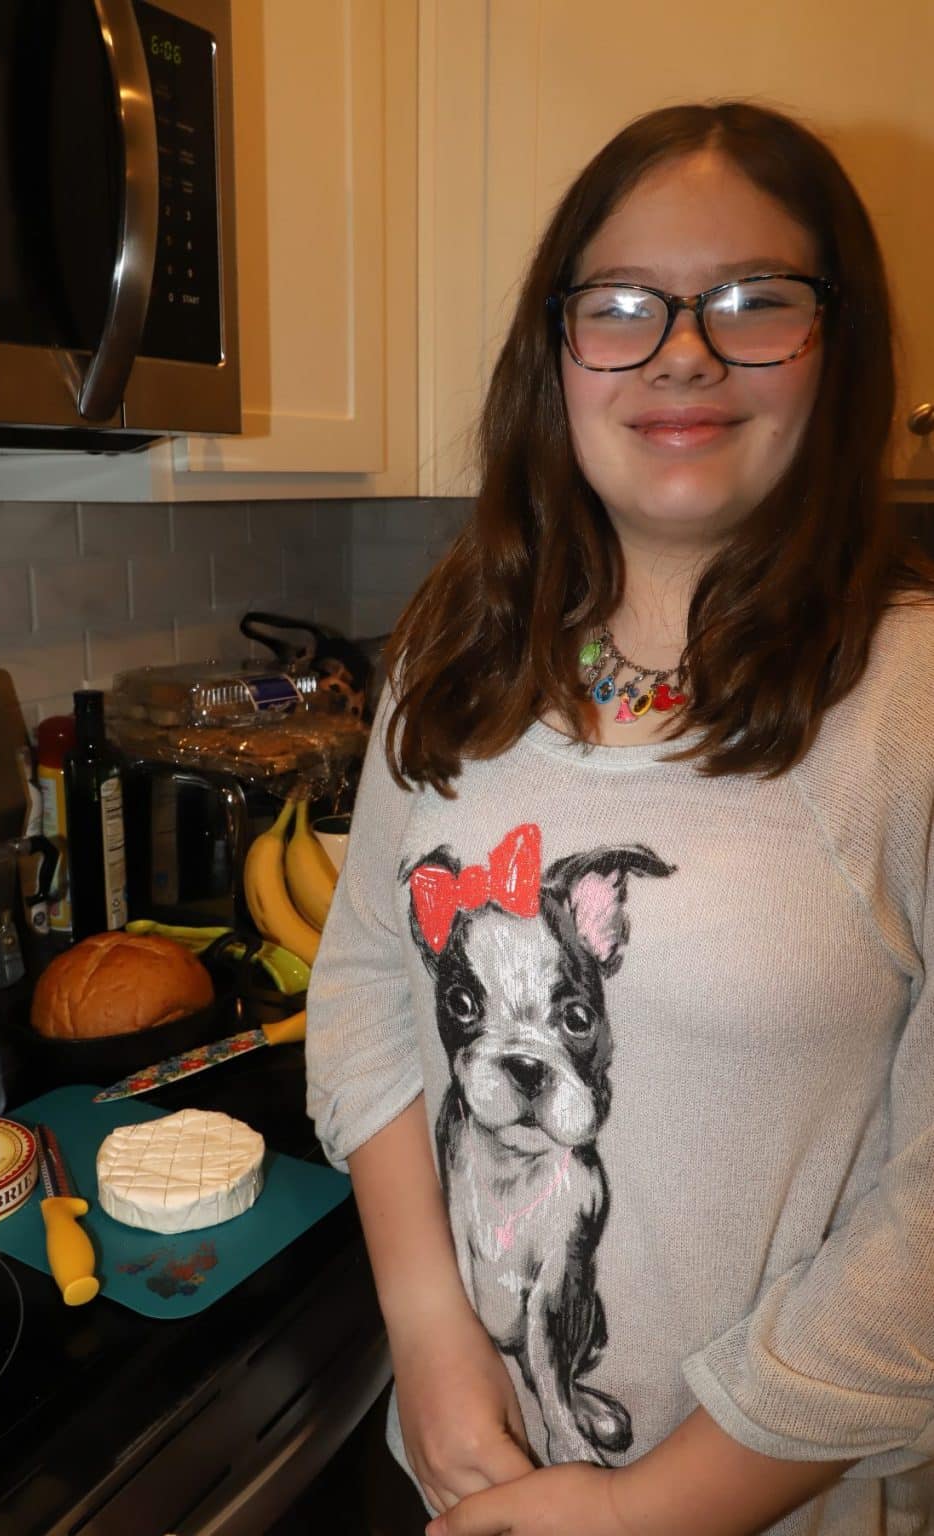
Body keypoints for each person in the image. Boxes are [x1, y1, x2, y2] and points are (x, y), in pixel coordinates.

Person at [305, 99, 934, 1536]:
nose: (683, 353)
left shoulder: (909, 703)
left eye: (753, 300)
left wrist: (643, 1513)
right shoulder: (454, 649)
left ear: (836, 347)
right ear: (556, 352)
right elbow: (366, 985)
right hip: (465, 1476)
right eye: (623, 304)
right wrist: (430, 1336)